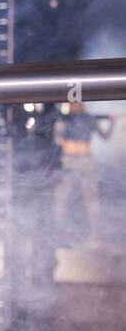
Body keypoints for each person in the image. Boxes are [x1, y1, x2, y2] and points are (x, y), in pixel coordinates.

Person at [53, 102, 117, 250]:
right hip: (70, 161)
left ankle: (94, 236)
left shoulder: (87, 119)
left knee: (91, 200)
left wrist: (113, 121)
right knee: (62, 198)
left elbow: (105, 136)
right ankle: (60, 234)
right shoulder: (64, 119)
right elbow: (58, 140)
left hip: (84, 161)